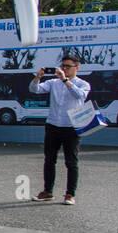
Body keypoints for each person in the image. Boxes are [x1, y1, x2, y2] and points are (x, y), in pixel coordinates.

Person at [29, 55, 91, 205]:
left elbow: (79, 96)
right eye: (62, 65)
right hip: (53, 125)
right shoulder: (53, 82)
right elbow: (34, 90)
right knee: (49, 160)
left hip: (71, 127)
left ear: (77, 67)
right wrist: (37, 78)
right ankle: (48, 191)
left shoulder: (83, 84)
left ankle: (70, 194)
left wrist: (65, 80)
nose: (64, 69)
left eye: (68, 66)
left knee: (71, 162)